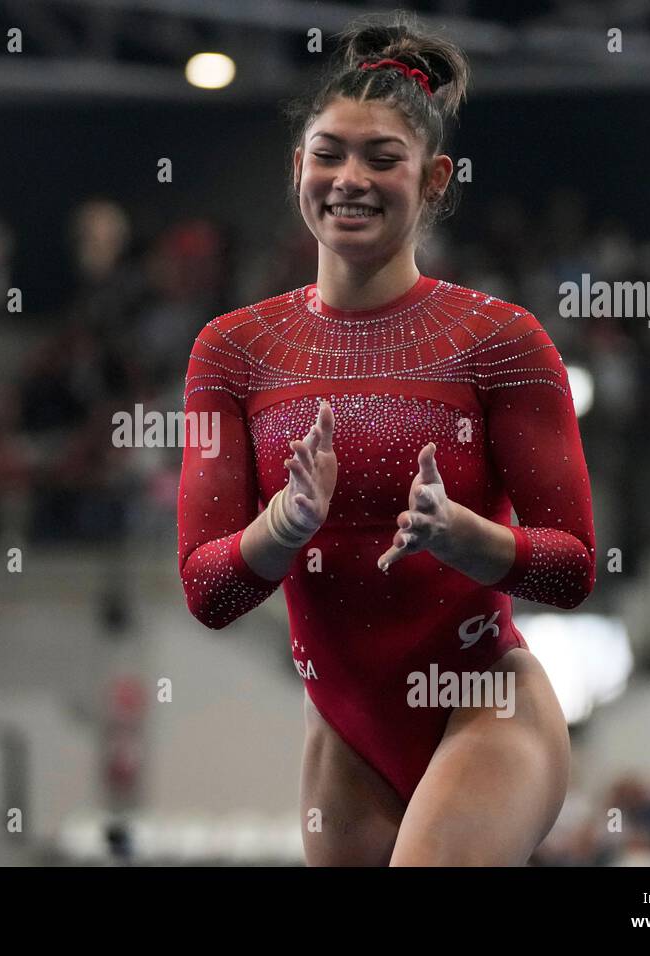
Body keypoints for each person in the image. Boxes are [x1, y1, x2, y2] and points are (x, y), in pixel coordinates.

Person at [176, 12, 596, 866]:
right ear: (298, 167)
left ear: (435, 178)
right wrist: (280, 532)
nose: (349, 179)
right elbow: (205, 592)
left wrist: (471, 540)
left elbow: (576, 566)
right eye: (328, 152)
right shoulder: (234, 350)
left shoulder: (500, 340)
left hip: (485, 702)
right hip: (344, 728)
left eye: (382, 158)